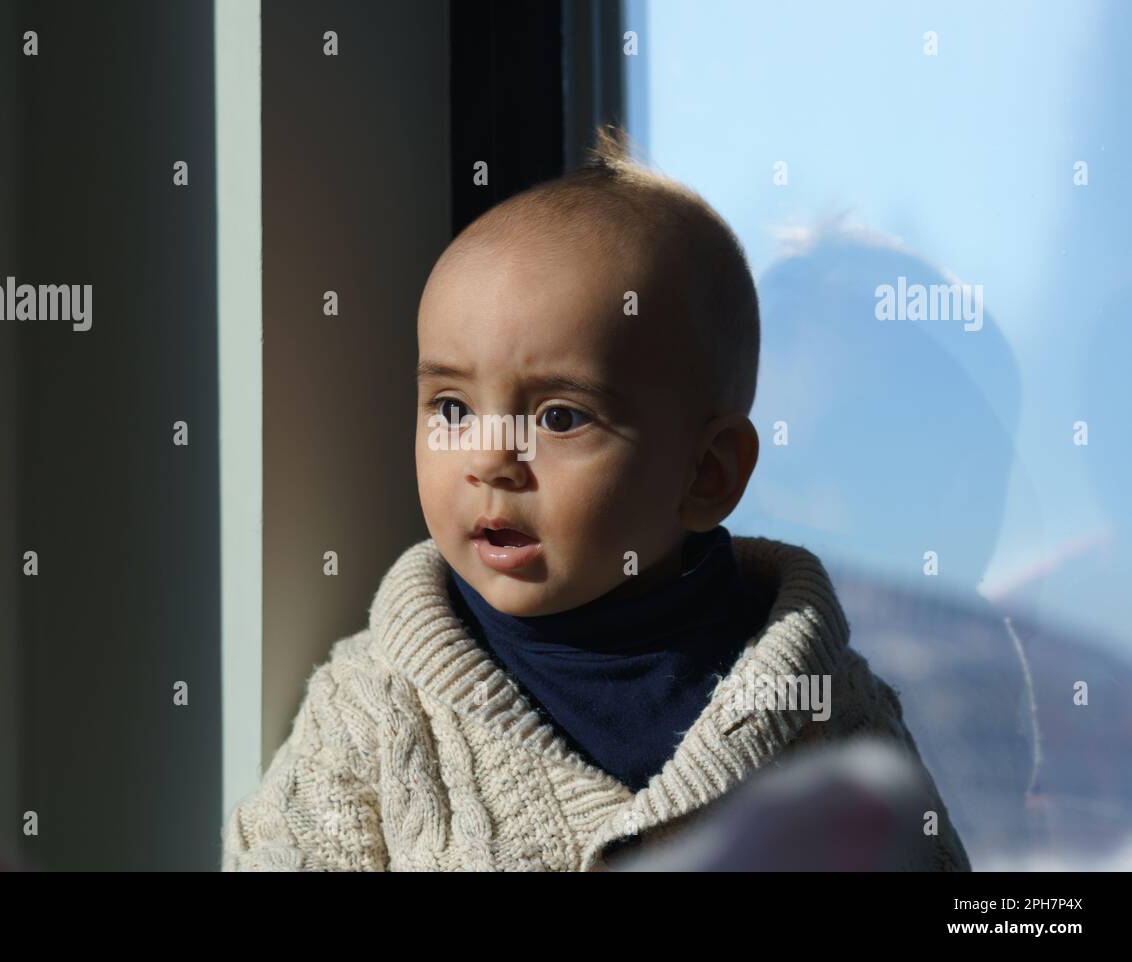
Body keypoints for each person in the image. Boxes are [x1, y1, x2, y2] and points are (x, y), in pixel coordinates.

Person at [221, 125, 970, 872]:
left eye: (559, 417)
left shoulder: (824, 707)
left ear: (707, 474)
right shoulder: (372, 710)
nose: (489, 460)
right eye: (452, 408)